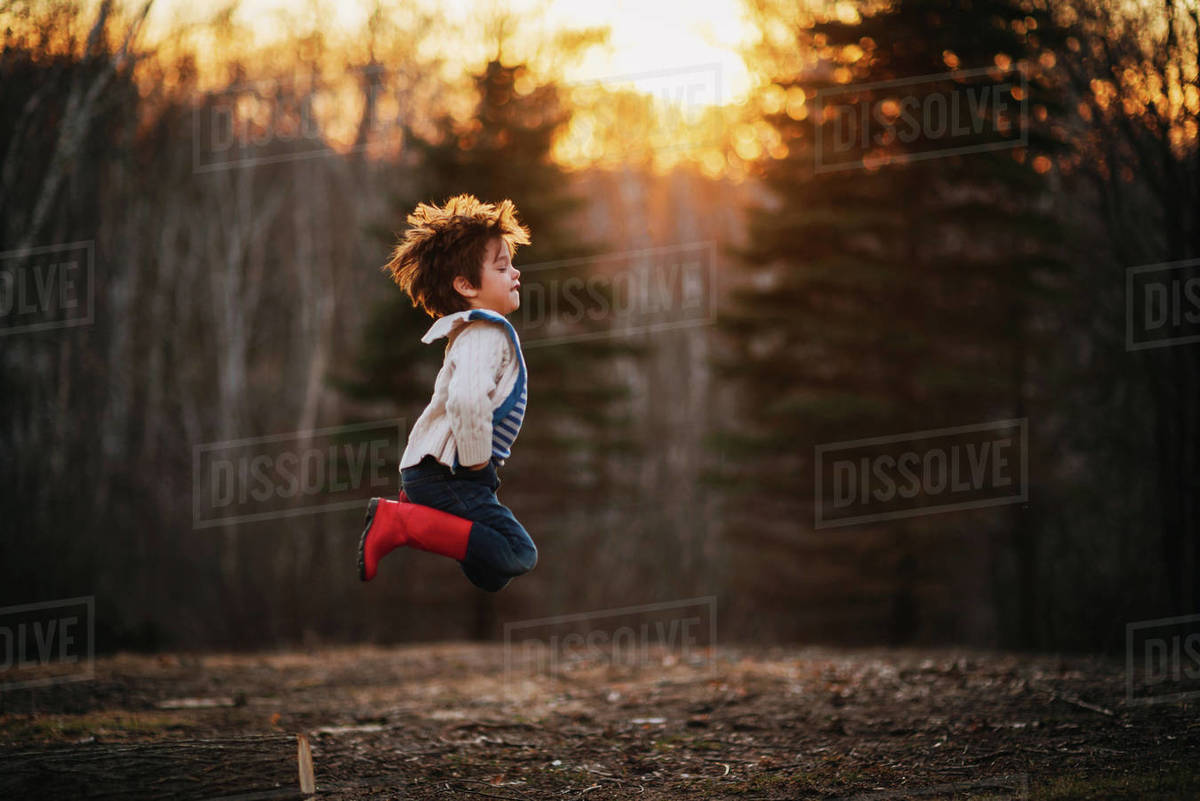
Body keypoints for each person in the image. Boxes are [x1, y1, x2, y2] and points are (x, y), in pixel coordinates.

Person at [357, 193, 538, 592]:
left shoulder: (473, 331)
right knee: (519, 552)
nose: (515, 274)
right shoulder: (484, 334)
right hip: (450, 472)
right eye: (503, 267)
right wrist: (476, 462)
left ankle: (411, 515)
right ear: (466, 285)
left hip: (448, 474)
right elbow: (466, 399)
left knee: (492, 573)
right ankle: (400, 522)